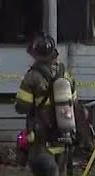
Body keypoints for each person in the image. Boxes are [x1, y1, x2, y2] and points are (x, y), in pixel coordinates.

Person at [14, 34, 73, 176]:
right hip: (62, 139)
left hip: (40, 140)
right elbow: (74, 104)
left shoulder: (32, 76)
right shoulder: (65, 74)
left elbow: (22, 107)